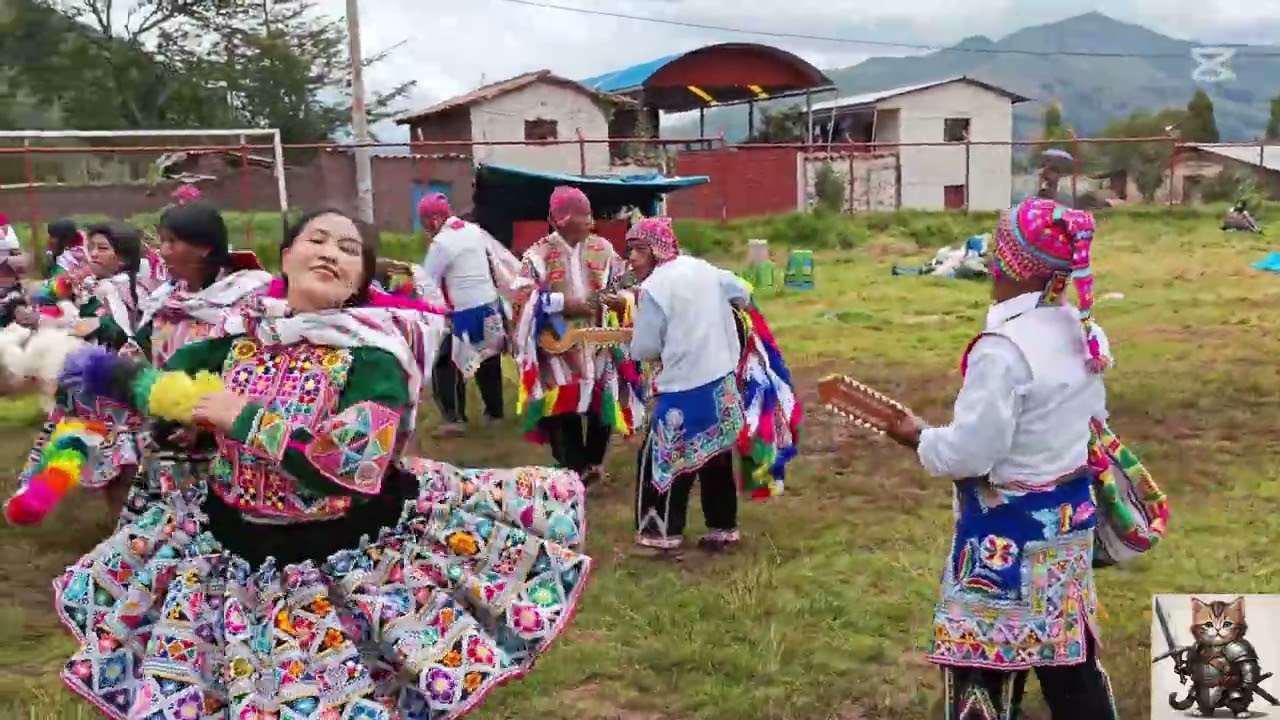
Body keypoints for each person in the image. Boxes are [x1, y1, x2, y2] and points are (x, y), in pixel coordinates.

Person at [49, 207, 590, 720]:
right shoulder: (233, 344)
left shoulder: (373, 358)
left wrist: (242, 417)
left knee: (340, 690)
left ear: (359, 278)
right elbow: (142, 390)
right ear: (284, 257)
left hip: (340, 553)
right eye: (318, 240)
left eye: (350, 249)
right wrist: (164, 415)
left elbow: (357, 464)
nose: (332, 252)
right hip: (232, 550)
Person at [883, 198, 1118, 719]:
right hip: (1066, 527)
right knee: (1069, 662)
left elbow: (971, 453)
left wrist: (917, 438)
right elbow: (1092, 424)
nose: (989, 263)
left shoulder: (1004, 349)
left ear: (1010, 265)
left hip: (1004, 539)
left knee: (980, 669)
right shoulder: (1083, 331)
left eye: (997, 252)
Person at [626, 217, 749, 553]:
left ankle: (659, 535)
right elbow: (743, 291)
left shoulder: (654, 288)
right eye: (630, 251)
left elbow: (645, 348)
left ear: (656, 250)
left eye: (638, 250)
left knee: (660, 460)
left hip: (683, 386)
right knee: (716, 453)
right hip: (720, 380)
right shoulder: (704, 269)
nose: (632, 259)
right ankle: (722, 528)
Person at [508, 186, 645, 486]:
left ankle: (594, 464)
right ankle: (573, 468)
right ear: (563, 219)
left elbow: (626, 284)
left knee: (602, 404)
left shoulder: (604, 249)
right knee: (563, 406)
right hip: (557, 347)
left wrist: (621, 299)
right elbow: (520, 297)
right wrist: (562, 305)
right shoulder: (538, 254)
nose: (591, 222)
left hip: (598, 344)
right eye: (585, 216)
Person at [419, 193, 509, 435]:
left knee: (446, 363)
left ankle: (454, 419)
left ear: (435, 219)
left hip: (463, 313)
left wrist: (431, 311)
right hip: (490, 307)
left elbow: (426, 282)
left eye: (424, 221)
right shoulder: (474, 231)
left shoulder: (442, 244)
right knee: (489, 359)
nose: (424, 227)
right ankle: (495, 413)